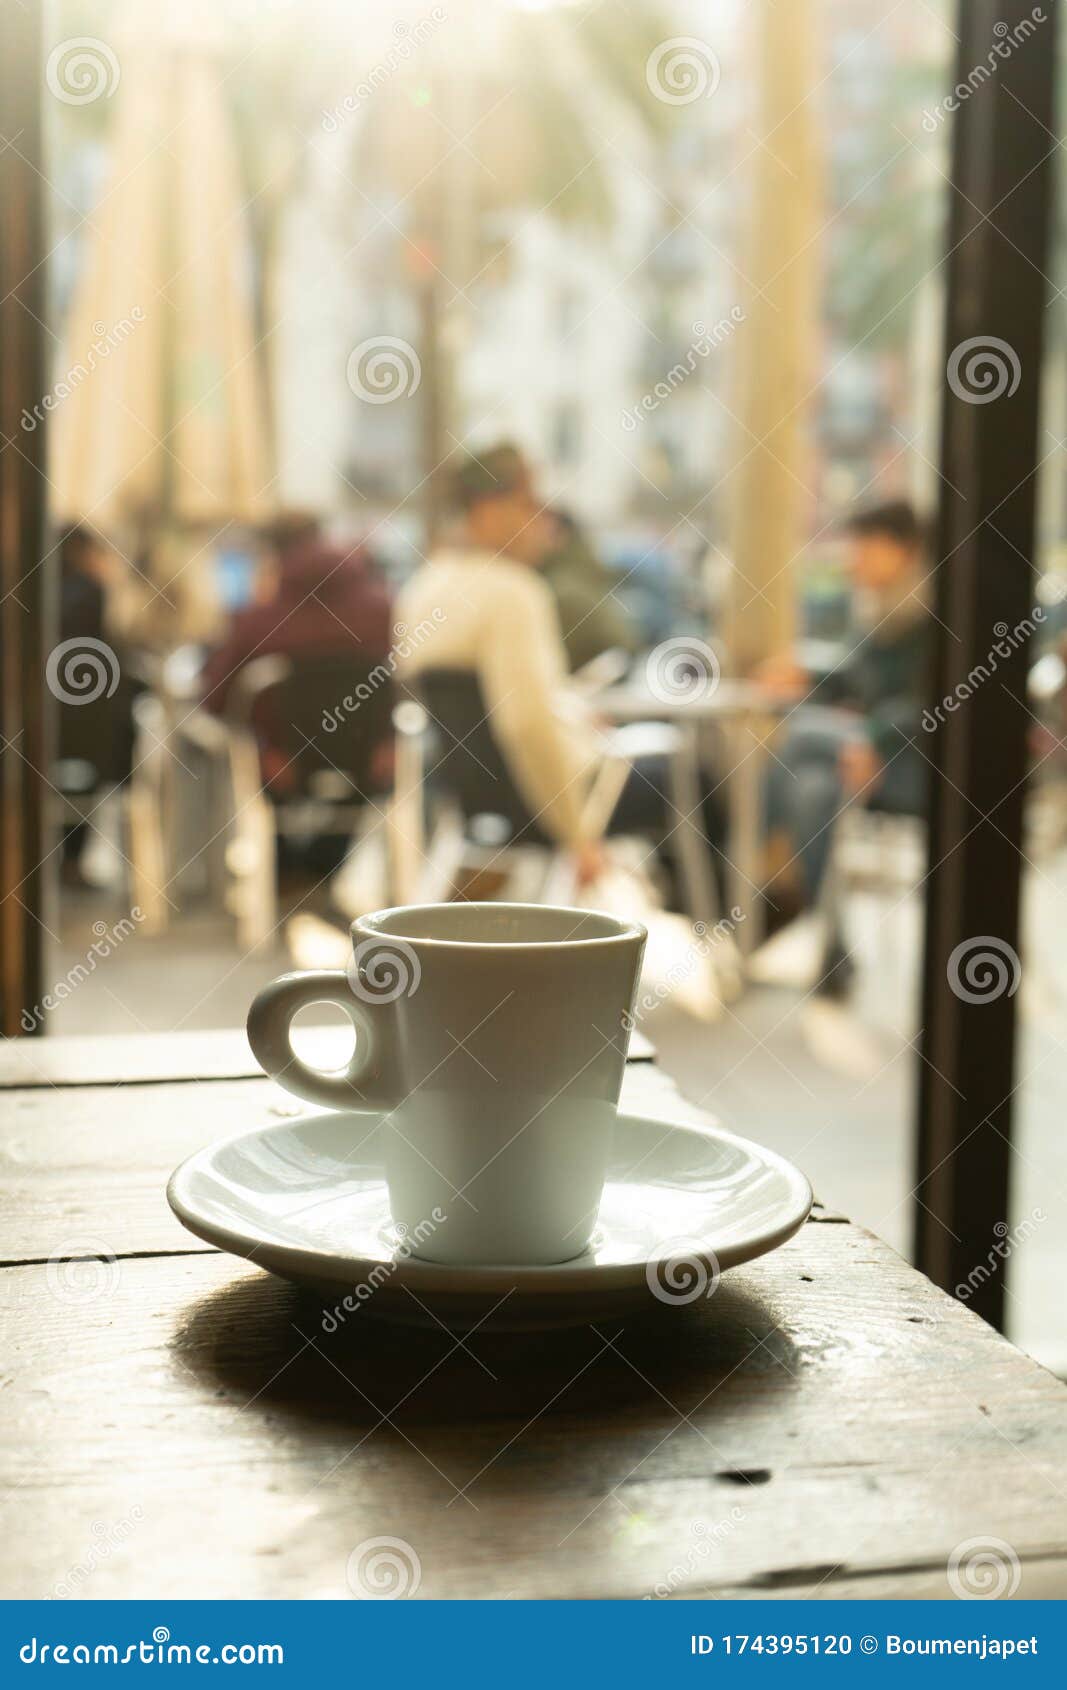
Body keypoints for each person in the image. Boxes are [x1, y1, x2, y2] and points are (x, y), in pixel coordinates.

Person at [396, 447, 720, 890]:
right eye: (530, 503)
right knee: (694, 780)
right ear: (489, 508)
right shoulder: (512, 593)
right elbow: (526, 726)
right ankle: (708, 936)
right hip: (549, 801)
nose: (543, 520)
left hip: (476, 800)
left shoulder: (423, 589)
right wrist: (578, 836)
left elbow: (489, 714)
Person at [763, 499, 931, 990]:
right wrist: (805, 674)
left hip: (916, 765)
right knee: (811, 789)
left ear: (902, 549)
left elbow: (938, 702)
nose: (854, 559)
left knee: (803, 735)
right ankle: (833, 948)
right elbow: (856, 680)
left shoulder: (933, 612)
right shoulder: (881, 607)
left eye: (865, 546)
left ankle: (757, 887)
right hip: (863, 761)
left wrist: (877, 741)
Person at [201, 513, 393, 716]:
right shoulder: (381, 614)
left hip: (275, 747)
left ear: (273, 558)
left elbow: (214, 700)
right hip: (365, 746)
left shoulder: (257, 625)